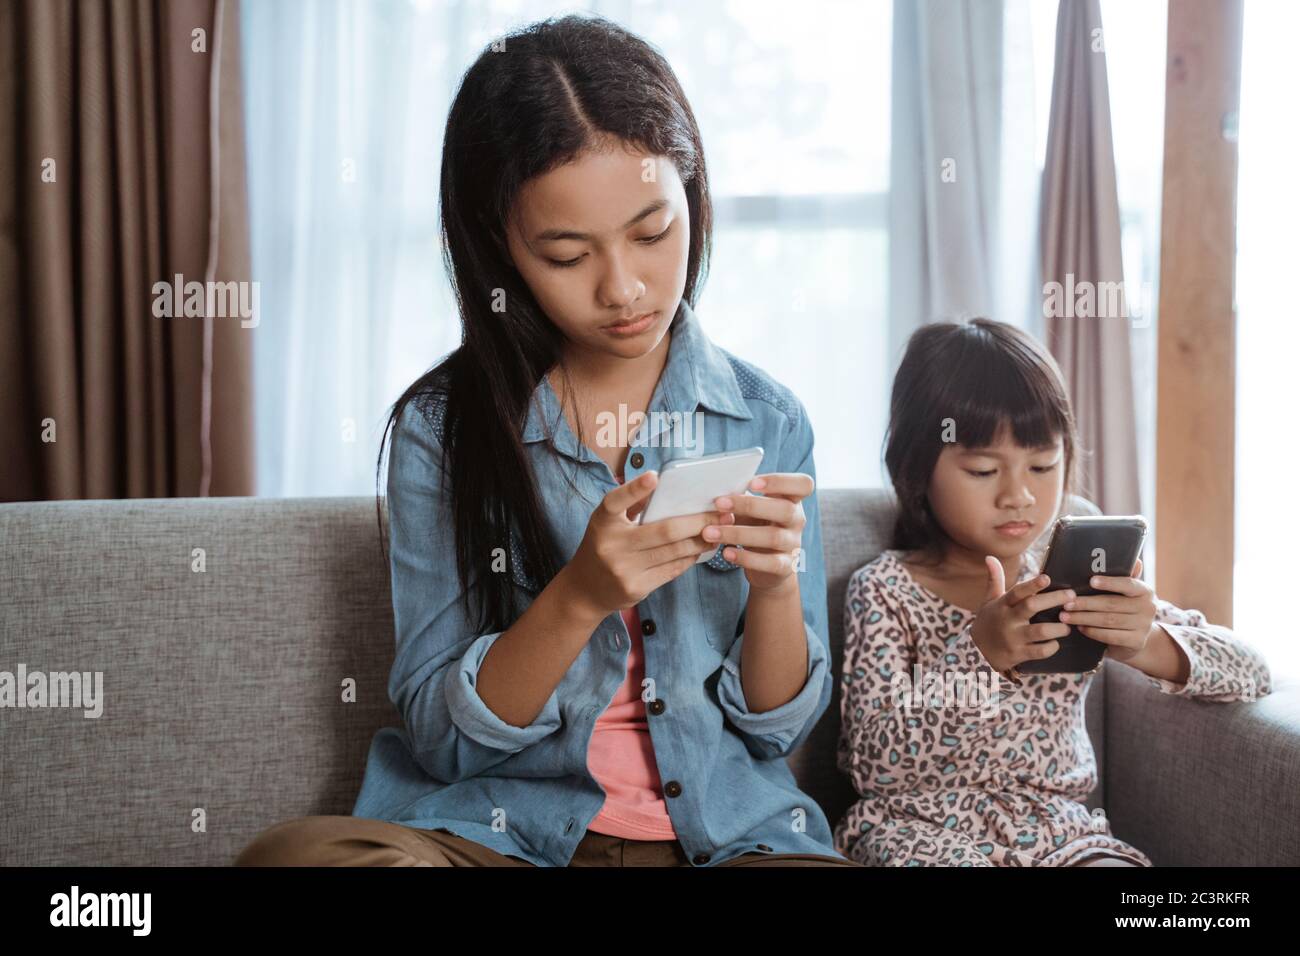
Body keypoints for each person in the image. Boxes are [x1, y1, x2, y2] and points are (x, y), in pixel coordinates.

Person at [235, 14, 857, 868]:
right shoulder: (440, 433)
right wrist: (579, 595)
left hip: (725, 838)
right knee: (296, 860)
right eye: (566, 254)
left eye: (652, 232)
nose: (625, 288)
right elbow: (442, 739)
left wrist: (777, 587)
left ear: (692, 195)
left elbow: (780, 725)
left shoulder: (766, 418)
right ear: (502, 248)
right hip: (501, 836)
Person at [835, 318, 1272, 867]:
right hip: (918, 831)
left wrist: (1144, 642)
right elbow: (877, 767)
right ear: (917, 471)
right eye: (982, 469)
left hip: (1059, 834)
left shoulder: (1071, 582)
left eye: (1042, 465)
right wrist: (980, 657)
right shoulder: (887, 590)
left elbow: (1250, 672)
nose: (1018, 495)